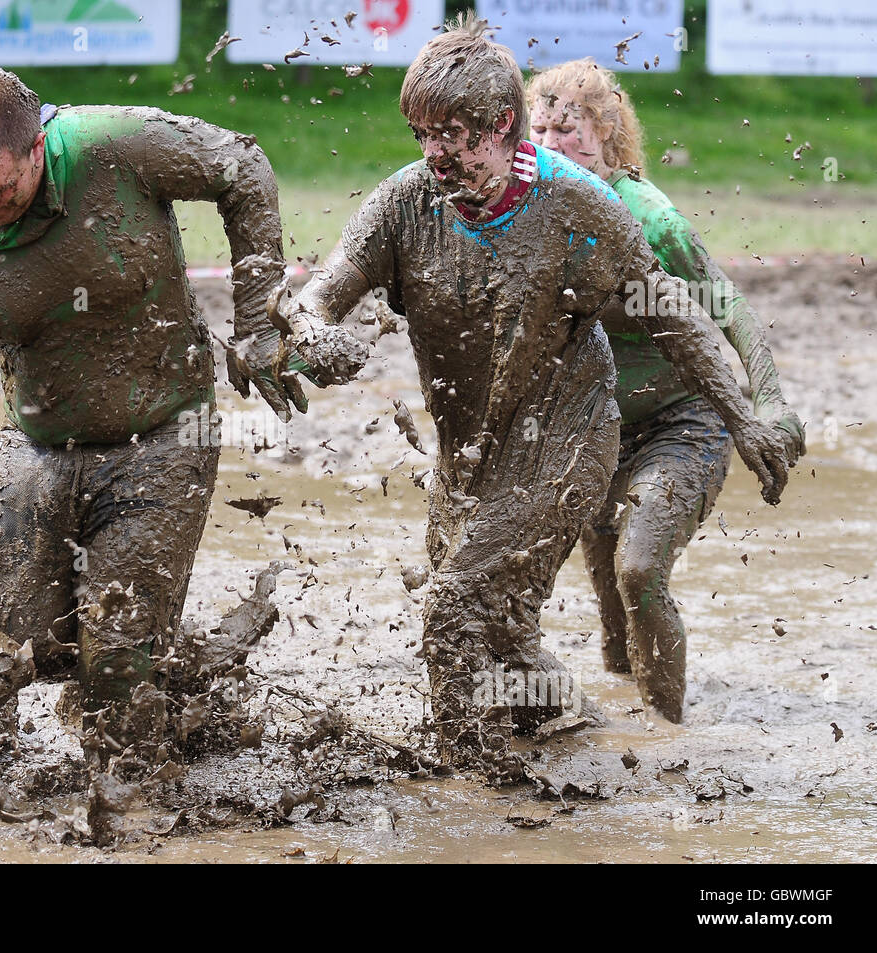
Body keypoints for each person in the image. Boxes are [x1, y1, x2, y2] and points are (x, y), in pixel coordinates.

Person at [275, 16, 797, 781]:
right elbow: (321, 292)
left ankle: (470, 795)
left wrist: (746, 415)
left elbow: (675, 312)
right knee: (504, 637)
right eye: (422, 133)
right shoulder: (403, 202)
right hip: (471, 453)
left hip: (569, 441)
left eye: (456, 135)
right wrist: (304, 335)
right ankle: (571, 721)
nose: (436, 154)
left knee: (452, 608)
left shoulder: (579, 203)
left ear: (504, 127)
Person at [0, 67, 310, 755]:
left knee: (117, 666)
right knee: (4, 653)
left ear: (38, 148)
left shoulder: (115, 145)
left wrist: (259, 320)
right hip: (35, 449)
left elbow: (242, 164)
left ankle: (133, 781)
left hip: (163, 431)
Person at [525, 58, 804, 722]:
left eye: (573, 134)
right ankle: (630, 735)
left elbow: (729, 307)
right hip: (592, 429)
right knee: (618, 642)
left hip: (682, 423)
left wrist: (768, 403)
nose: (555, 147)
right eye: (542, 131)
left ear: (608, 139)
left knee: (640, 570)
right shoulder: (525, 208)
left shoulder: (650, 218)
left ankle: (673, 750)